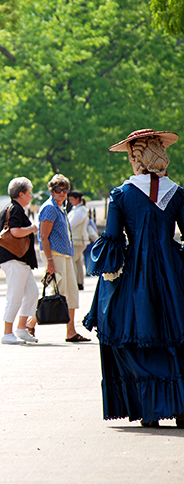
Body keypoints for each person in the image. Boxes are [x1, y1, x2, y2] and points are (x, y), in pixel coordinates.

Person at [83, 129, 184, 427]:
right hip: (173, 274)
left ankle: (150, 411)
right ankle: (181, 409)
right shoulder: (177, 193)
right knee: (175, 337)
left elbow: (112, 239)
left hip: (135, 276)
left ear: (135, 158)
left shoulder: (122, 195)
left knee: (129, 335)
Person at [27, 174, 90, 342]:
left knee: (70, 293)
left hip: (65, 254)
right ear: (52, 191)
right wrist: (49, 261)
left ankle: (71, 332)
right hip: (55, 254)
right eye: (57, 190)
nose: (61, 193)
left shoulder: (61, 207)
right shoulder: (49, 208)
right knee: (55, 293)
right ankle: (30, 323)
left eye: (64, 190)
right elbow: (43, 236)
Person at [0, 177, 39, 345]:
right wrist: (31, 229)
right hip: (14, 258)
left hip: (18, 260)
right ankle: (7, 333)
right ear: (21, 194)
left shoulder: (11, 209)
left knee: (32, 293)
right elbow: (14, 232)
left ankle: (21, 329)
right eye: (29, 193)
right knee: (15, 296)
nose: (31, 196)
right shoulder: (16, 210)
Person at [67, 191, 89, 291]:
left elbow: (71, 224)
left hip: (77, 239)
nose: (70, 201)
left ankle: (74, 282)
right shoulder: (78, 209)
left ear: (77, 199)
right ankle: (79, 282)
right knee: (78, 261)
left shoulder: (80, 211)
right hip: (78, 239)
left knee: (72, 260)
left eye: (72, 199)